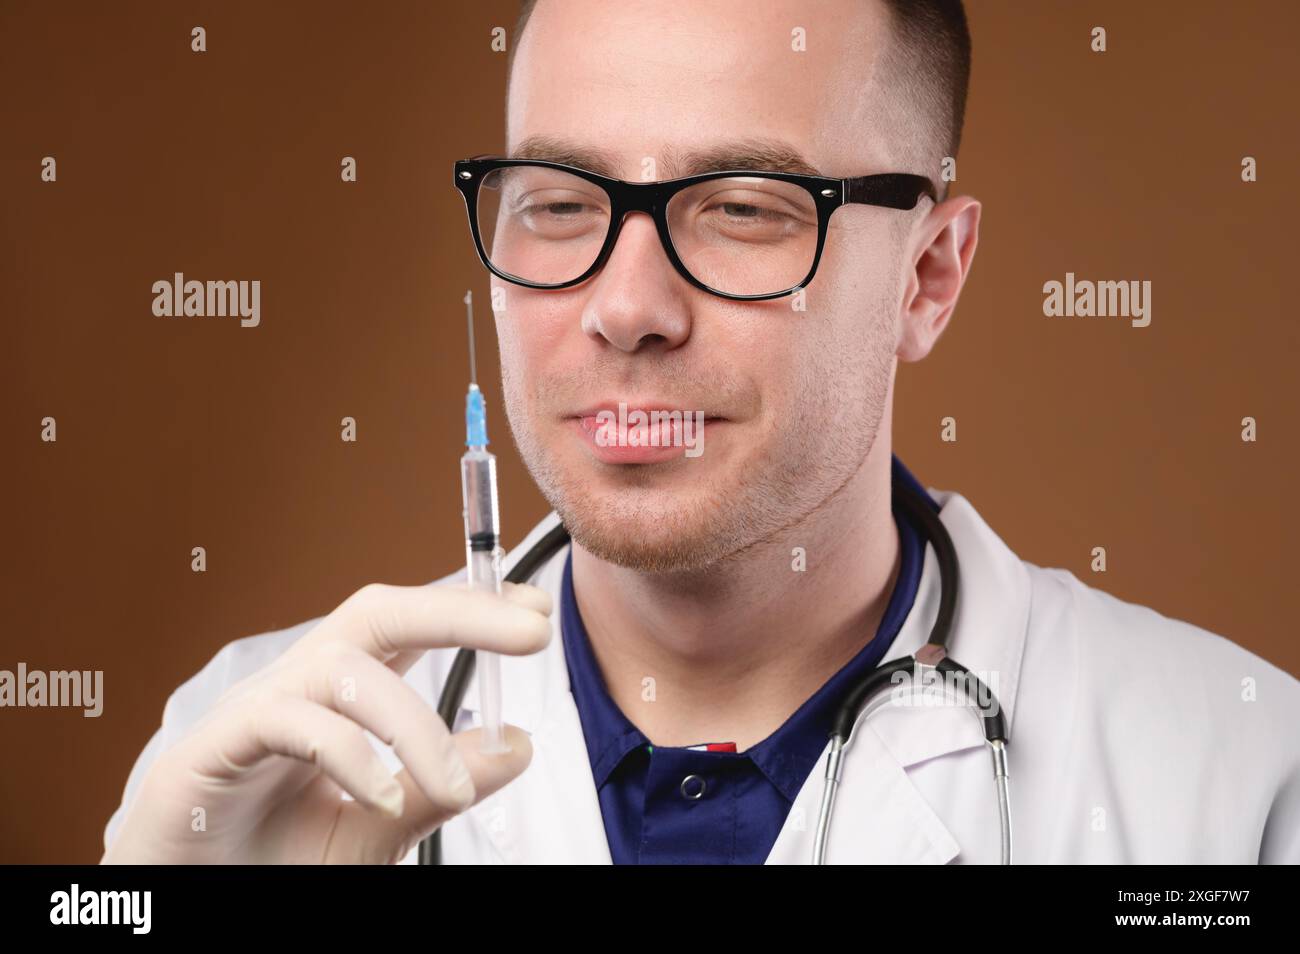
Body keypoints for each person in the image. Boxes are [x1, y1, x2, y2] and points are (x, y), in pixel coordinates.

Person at [102, 0, 1300, 864]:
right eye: (560, 205)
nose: (625, 308)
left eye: (739, 210)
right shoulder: (244, 752)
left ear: (927, 275)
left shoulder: (1236, 784)